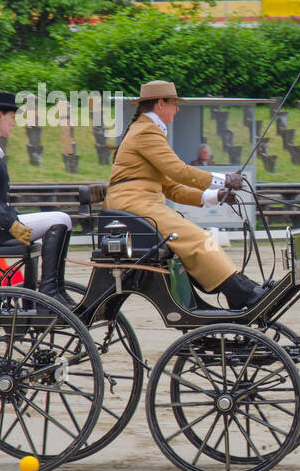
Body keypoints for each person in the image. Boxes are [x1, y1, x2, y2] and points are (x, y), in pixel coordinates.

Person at [105, 80, 268, 309]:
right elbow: (178, 171)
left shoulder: (148, 130)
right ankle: (239, 290)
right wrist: (223, 179)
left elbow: (172, 187)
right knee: (196, 237)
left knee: (196, 236)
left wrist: (216, 195)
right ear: (161, 103)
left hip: (141, 202)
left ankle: (238, 286)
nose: (177, 109)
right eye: (174, 104)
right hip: (133, 203)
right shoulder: (146, 131)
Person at [0, 91, 79, 303]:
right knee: (62, 220)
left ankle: (51, 290)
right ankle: (50, 291)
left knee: (62, 220)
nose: (14, 123)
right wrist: (10, 223)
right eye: (12, 117)